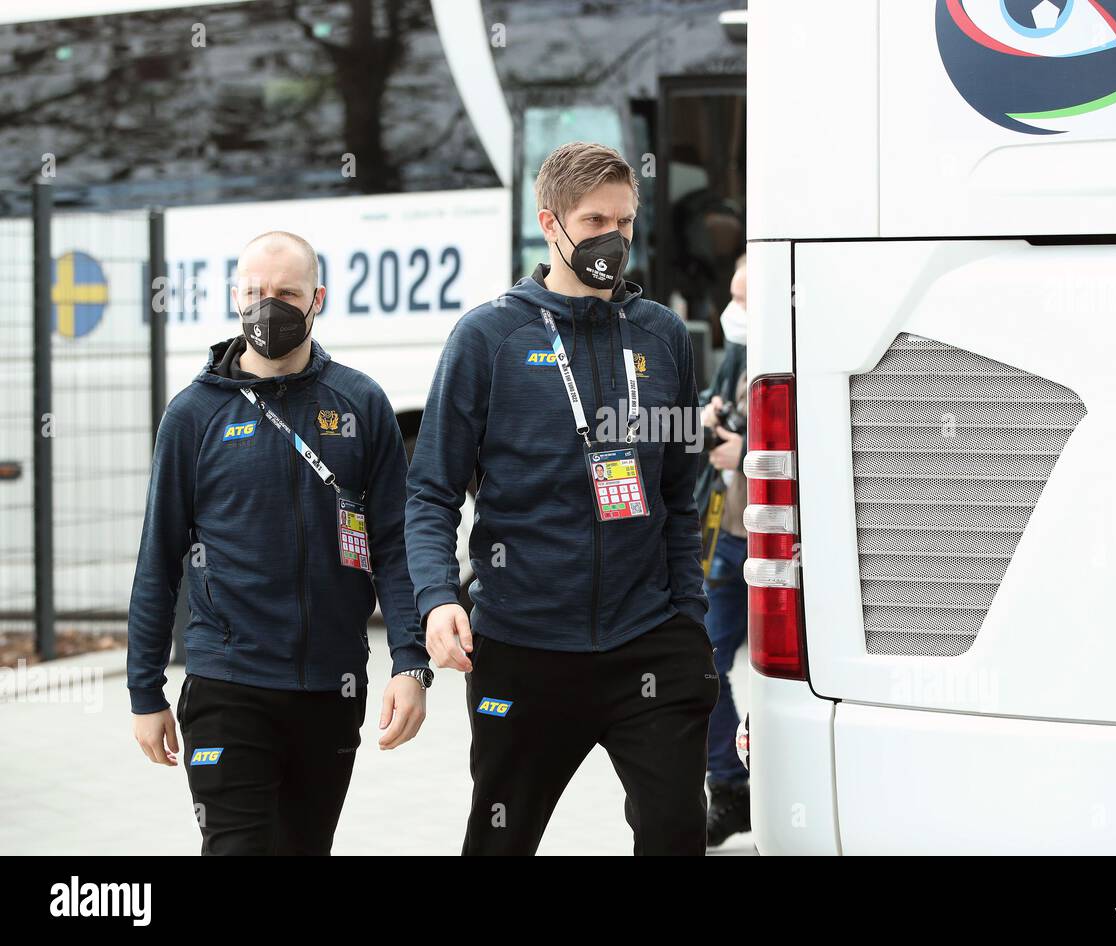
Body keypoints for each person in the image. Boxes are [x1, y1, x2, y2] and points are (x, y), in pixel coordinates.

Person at [406, 141, 718, 856]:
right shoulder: (489, 338)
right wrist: (436, 597)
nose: (615, 238)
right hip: (523, 649)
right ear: (551, 225)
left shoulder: (663, 337)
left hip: (651, 641)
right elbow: (429, 491)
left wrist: (690, 622)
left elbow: (675, 491)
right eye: (595, 219)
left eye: (627, 221)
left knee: (677, 831)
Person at [127, 230, 432, 855]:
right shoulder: (193, 415)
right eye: (255, 292)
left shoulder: (360, 402)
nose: (270, 305)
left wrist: (410, 662)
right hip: (226, 685)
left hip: (332, 687)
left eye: (287, 292)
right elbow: (158, 559)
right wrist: (144, 690)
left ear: (317, 298)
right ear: (235, 299)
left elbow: (396, 546)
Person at [694, 255, 751, 846]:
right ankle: (731, 788)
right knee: (701, 662)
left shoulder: (801, 351)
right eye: (732, 298)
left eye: (746, 301)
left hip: (778, 542)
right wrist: (706, 419)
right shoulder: (737, 350)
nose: (735, 313)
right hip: (726, 536)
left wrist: (748, 450)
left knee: (789, 675)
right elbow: (714, 408)